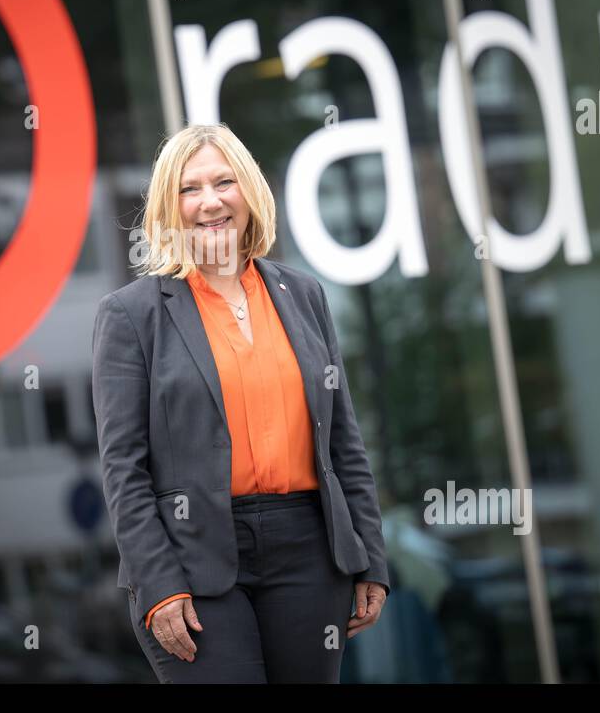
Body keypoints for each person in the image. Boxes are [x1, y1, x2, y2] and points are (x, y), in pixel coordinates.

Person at [91, 122, 389, 683]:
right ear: (168, 208)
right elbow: (123, 470)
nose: (210, 202)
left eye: (223, 182)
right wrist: (158, 584)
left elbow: (343, 439)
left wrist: (369, 554)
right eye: (190, 189)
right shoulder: (132, 316)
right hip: (192, 559)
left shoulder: (302, 295)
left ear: (248, 192)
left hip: (308, 551)